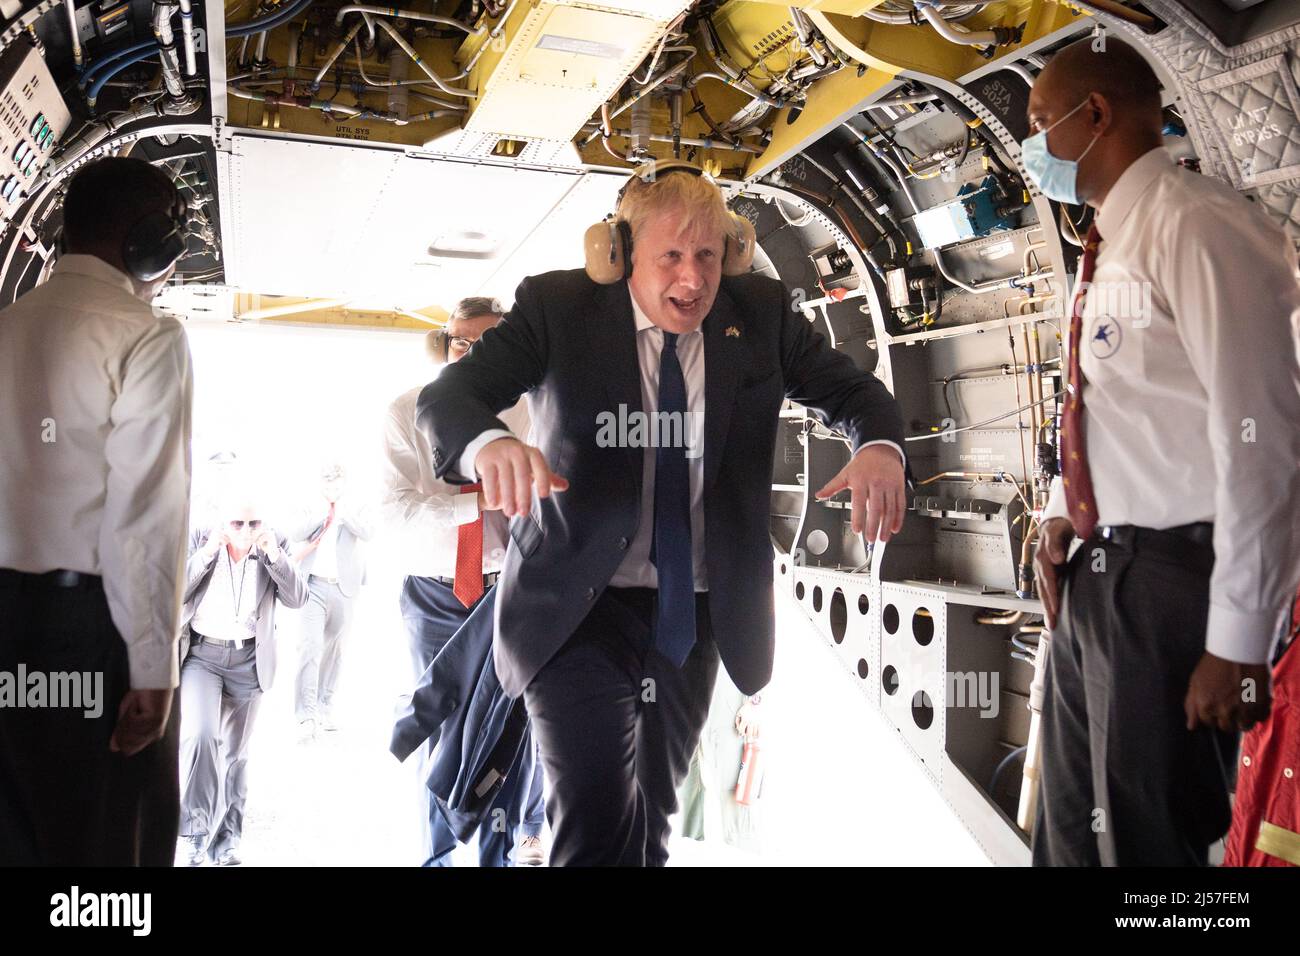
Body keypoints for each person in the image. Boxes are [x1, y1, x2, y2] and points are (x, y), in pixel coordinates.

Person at [417, 161, 906, 866]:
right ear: (618, 255)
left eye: (708, 255)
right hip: (576, 609)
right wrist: (490, 443)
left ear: (731, 252)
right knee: (595, 817)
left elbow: (853, 393)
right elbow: (451, 397)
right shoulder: (559, 308)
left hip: (691, 616)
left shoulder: (759, 314)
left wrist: (880, 447)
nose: (693, 278)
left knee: (650, 827)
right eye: (671, 256)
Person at [1027, 37, 1300, 866]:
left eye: (1042, 123)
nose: (1034, 146)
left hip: (1174, 586)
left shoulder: (1198, 227)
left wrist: (1238, 640)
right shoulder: (1108, 242)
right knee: (1073, 835)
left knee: (1147, 849)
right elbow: (1111, 409)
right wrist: (1058, 515)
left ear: (1095, 114)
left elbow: (1264, 440)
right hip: (1099, 580)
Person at [0, 156, 193, 865]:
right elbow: (146, 517)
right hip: (88, 631)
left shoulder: (6, 325)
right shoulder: (147, 334)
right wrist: (154, 666)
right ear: (152, 241)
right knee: (110, 853)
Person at [381, 298, 545, 866]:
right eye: (461, 343)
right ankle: (438, 856)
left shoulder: (537, 411)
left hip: (513, 586)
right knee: (444, 726)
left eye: (487, 343)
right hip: (436, 590)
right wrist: (475, 501)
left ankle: (496, 856)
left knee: (511, 726)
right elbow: (392, 513)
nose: (472, 354)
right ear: (445, 346)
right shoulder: (406, 411)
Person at [176, 489, 309, 865]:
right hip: (202, 655)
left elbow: (297, 598)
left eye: (254, 522)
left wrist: (274, 555)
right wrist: (205, 555)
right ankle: (193, 832)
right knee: (200, 736)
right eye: (238, 522)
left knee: (235, 755)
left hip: (249, 659)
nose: (247, 530)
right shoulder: (200, 536)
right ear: (222, 520)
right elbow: (174, 591)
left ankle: (227, 840)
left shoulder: (273, 542)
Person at [290, 462, 373, 741]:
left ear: (344, 483)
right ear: (319, 484)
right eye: (327, 485)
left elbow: (369, 532)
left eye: (336, 485)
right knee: (309, 647)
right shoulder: (309, 504)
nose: (332, 490)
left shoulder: (356, 505)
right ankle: (305, 715)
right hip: (312, 584)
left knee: (335, 650)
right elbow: (296, 533)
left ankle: (325, 708)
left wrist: (344, 515)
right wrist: (322, 515)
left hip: (344, 587)